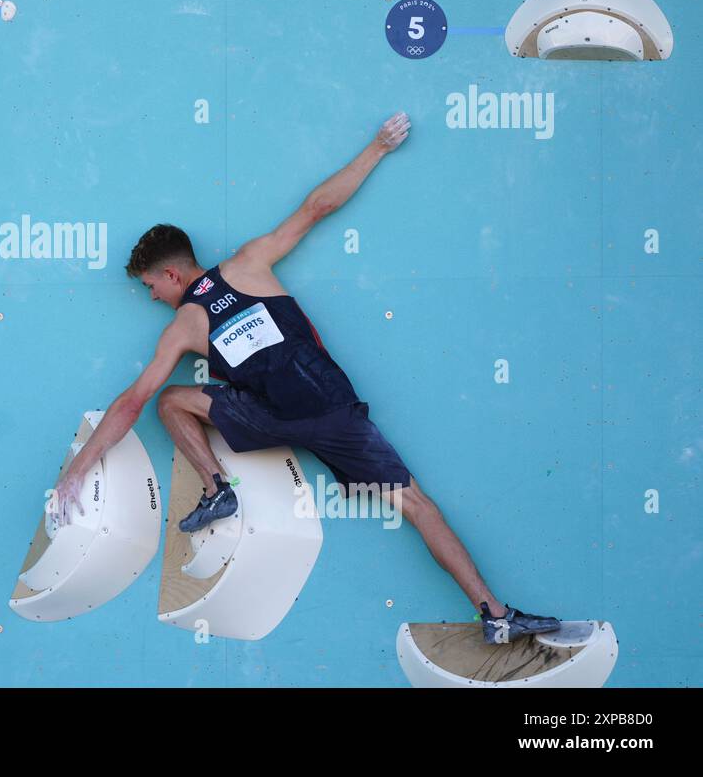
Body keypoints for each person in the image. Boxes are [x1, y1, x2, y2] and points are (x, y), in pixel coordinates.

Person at [52, 112, 560, 644]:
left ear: (173, 275)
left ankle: (217, 488)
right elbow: (317, 208)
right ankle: (495, 615)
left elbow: (134, 400)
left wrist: (78, 471)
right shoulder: (250, 263)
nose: (152, 295)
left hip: (277, 419)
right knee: (416, 505)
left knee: (170, 401)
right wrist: (377, 148)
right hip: (329, 412)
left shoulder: (186, 323)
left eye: (150, 285)